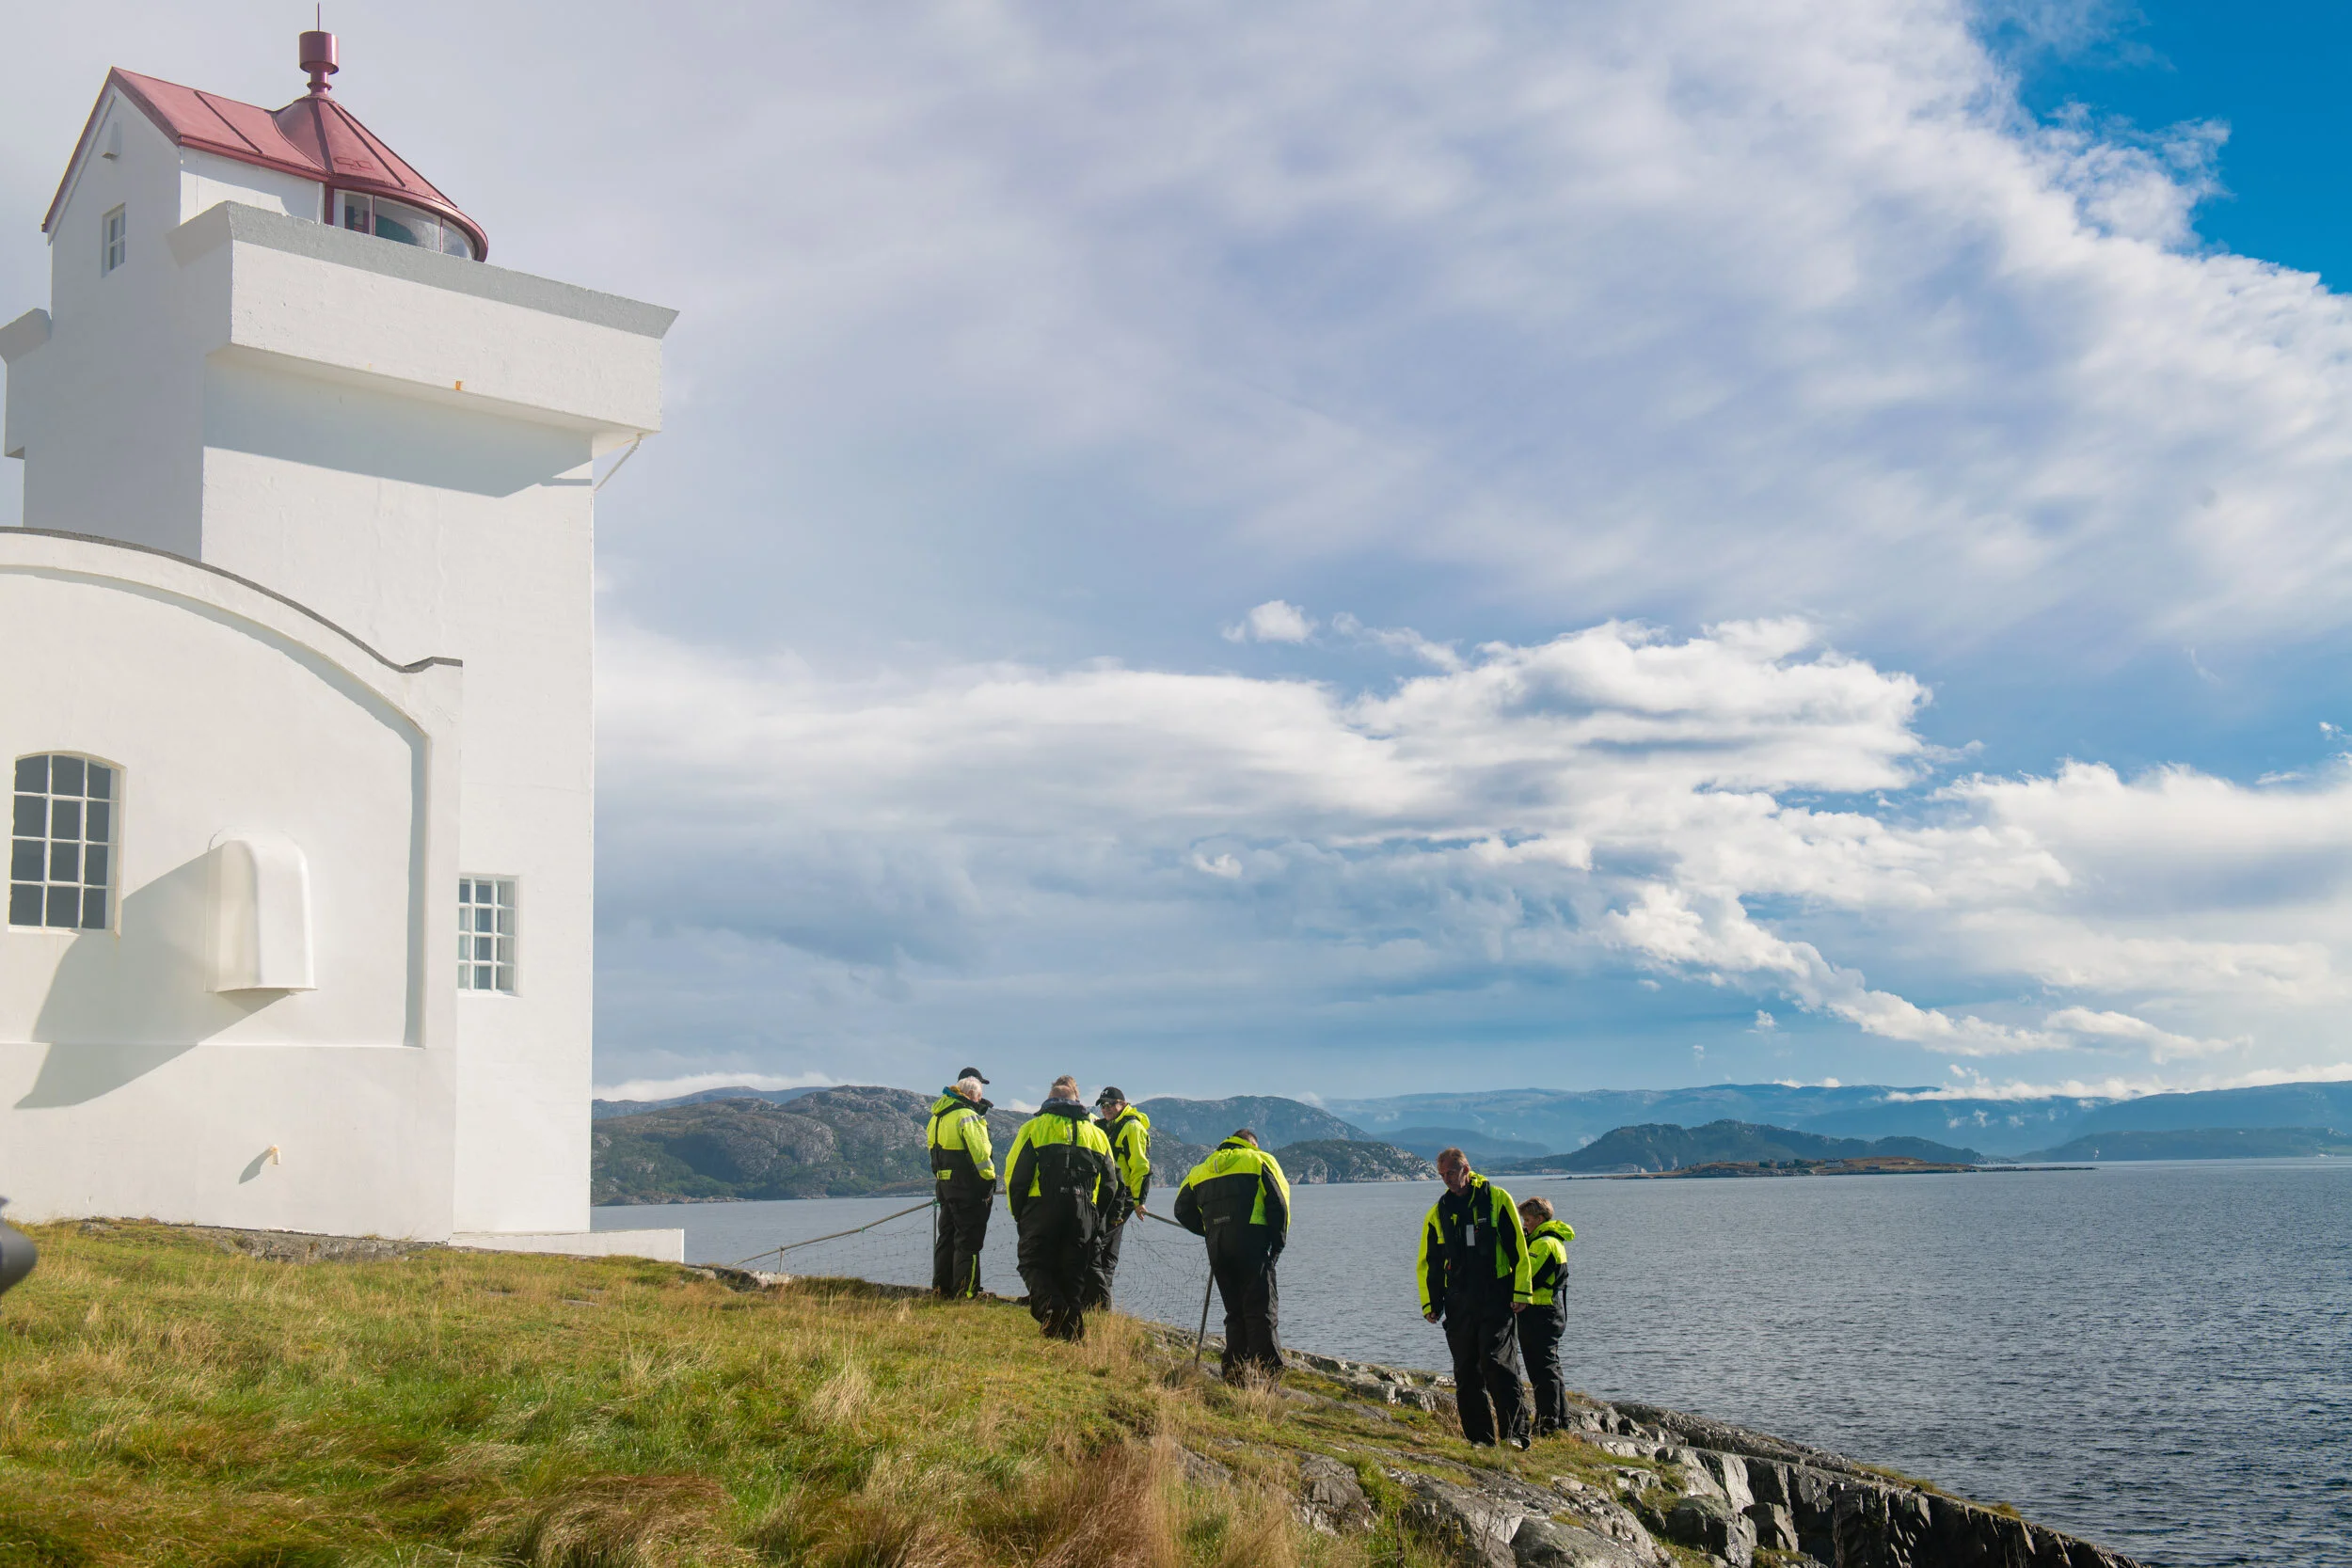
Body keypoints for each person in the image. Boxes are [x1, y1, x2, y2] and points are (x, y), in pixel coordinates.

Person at [1417, 1147, 1533, 1449]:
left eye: (1451, 1173)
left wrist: (1522, 1292)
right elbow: (1429, 1262)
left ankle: (1515, 1435)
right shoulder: (1437, 1213)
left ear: (1466, 1170)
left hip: (1496, 1295)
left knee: (1498, 1364)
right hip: (1458, 1301)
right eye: (1441, 1175)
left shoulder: (1497, 1200)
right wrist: (1432, 1304)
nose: (1447, 1180)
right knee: (1466, 1371)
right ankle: (1479, 1439)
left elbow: (1518, 1250)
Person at [1173, 1128, 1292, 1381]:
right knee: (1261, 1310)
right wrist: (1277, 1244)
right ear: (1251, 1144)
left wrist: (1210, 1230)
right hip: (1252, 1245)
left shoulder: (1200, 1169)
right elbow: (1279, 1203)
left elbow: (1181, 1209)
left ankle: (1235, 1372)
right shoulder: (1258, 1160)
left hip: (1219, 1248)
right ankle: (1268, 1374)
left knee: (1234, 1311)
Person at [1005, 1075, 1118, 1340]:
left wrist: (1019, 1213)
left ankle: (1052, 1311)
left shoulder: (1033, 1128)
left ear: (1049, 1100)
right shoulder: (1097, 1134)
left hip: (1041, 1208)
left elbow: (1015, 1178)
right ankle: (1070, 1336)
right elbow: (1111, 1184)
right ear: (1077, 1102)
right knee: (1073, 1273)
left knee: (1033, 1263)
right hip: (1082, 1213)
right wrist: (1095, 1214)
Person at [926, 1069, 996, 1299]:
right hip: (968, 1187)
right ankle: (966, 1292)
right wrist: (989, 1182)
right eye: (978, 1097)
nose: (979, 1101)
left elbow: (933, 1153)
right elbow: (981, 1154)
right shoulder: (967, 1115)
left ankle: (941, 1287)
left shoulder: (937, 1117)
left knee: (946, 1237)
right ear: (971, 1094)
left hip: (945, 1186)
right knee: (968, 1239)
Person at [1082, 1086, 1152, 1310]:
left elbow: (1141, 1166)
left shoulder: (1132, 1127)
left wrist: (1139, 1201)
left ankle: (1095, 1303)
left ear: (1122, 1104)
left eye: (1111, 1104)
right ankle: (1099, 1305)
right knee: (1106, 1249)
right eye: (1102, 1105)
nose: (1106, 1109)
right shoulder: (1107, 1126)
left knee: (1098, 1246)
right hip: (1107, 1193)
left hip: (1122, 1198)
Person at [1518, 1196, 1575, 1435]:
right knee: (1550, 1366)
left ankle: (1548, 1422)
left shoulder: (1543, 1244)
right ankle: (1560, 1419)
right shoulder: (1550, 1240)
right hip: (1551, 1309)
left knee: (1541, 1369)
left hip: (1540, 1311)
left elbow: (1529, 1278)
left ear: (1540, 1219)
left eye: (1528, 1220)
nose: (1526, 1224)